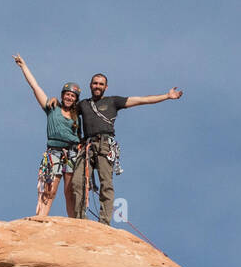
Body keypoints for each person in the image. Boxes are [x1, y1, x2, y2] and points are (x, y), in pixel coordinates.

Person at [71, 74, 183, 223]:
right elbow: (64, 111)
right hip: (88, 146)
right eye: (95, 83)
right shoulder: (83, 104)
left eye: (101, 84)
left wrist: (166, 96)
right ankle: (80, 220)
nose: (97, 86)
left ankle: (104, 222)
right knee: (77, 182)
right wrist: (51, 101)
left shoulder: (113, 101)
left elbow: (141, 100)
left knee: (106, 184)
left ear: (106, 87)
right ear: (90, 85)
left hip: (105, 145)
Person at [14, 54, 82, 217]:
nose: (69, 97)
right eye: (67, 94)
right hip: (54, 152)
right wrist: (24, 66)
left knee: (70, 192)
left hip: (72, 153)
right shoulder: (52, 108)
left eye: (72, 96)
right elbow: (35, 86)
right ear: (62, 95)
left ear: (75, 99)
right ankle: (41, 218)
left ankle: (73, 223)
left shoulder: (77, 116)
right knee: (50, 189)